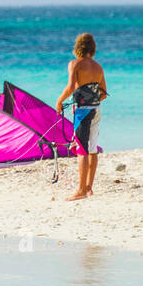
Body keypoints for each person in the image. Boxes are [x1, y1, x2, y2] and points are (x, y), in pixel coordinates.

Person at [55, 33, 108, 201]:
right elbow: (104, 93)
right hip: (96, 109)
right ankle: (89, 188)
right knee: (92, 149)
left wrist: (59, 101)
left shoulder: (74, 64)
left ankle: (80, 190)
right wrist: (91, 101)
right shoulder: (98, 67)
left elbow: (70, 87)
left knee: (81, 150)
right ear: (92, 48)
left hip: (83, 111)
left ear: (77, 47)